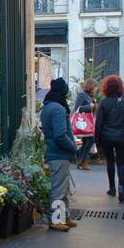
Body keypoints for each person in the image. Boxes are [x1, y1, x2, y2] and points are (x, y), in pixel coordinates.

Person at [40, 77, 79, 232]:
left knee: (63, 187)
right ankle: (56, 220)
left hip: (54, 152)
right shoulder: (58, 108)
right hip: (59, 154)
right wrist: (73, 147)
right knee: (59, 189)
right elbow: (60, 135)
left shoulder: (48, 106)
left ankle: (65, 216)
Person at [94, 75, 124, 201]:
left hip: (107, 136)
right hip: (122, 136)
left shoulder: (103, 102)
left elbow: (99, 123)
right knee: (121, 163)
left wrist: (97, 140)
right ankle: (121, 187)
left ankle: (112, 188)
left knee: (110, 162)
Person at [73, 79, 96, 169]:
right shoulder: (82, 95)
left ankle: (82, 160)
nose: (95, 89)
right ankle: (81, 160)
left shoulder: (88, 96)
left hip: (89, 122)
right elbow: (77, 108)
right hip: (83, 122)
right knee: (89, 140)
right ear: (91, 87)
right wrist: (90, 106)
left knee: (88, 141)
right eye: (94, 87)